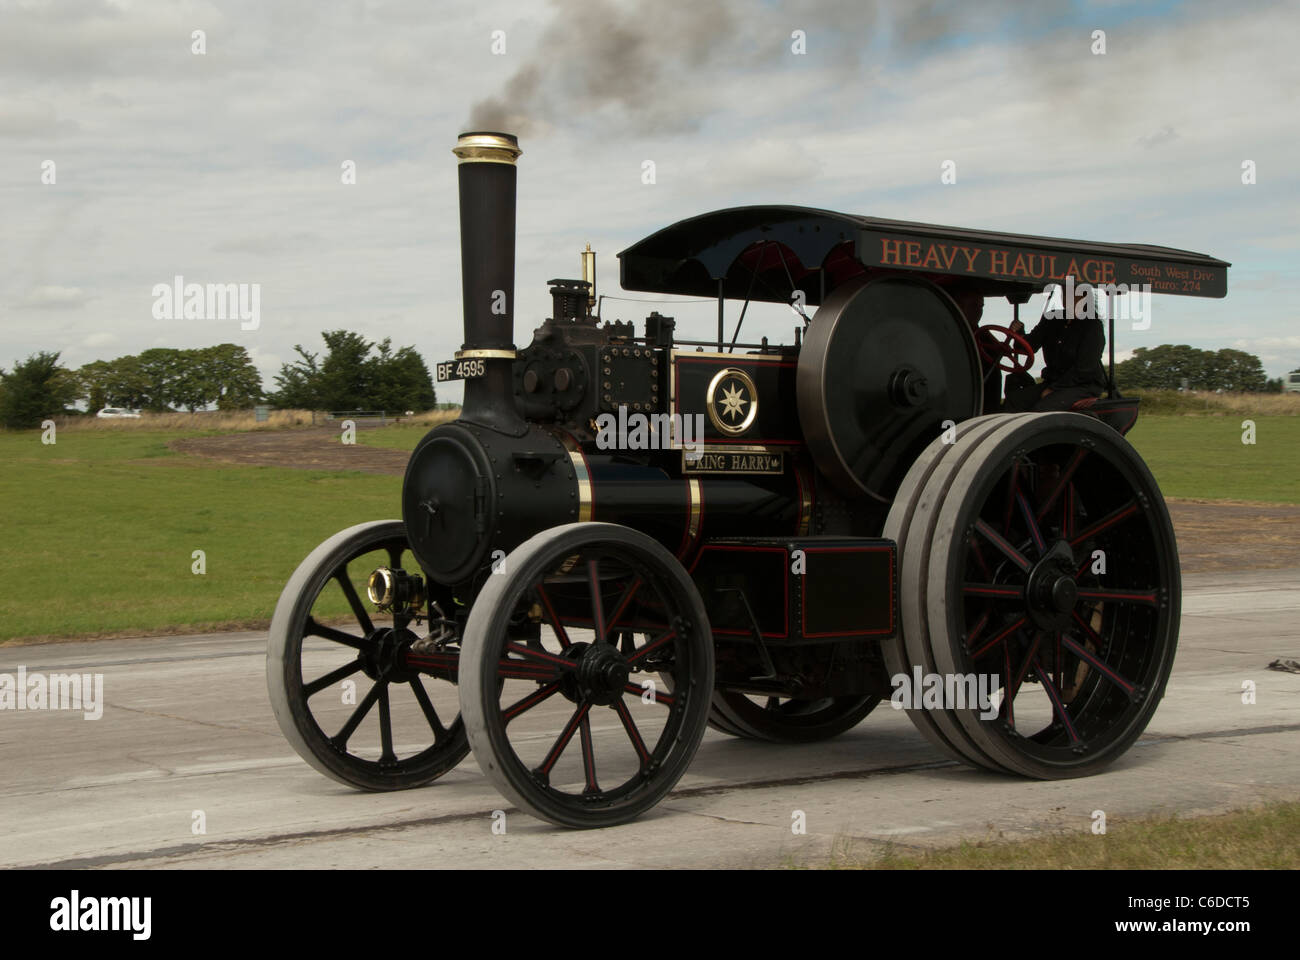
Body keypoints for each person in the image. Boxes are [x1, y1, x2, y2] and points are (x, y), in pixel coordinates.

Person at [1003, 282, 1107, 412]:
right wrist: (1018, 333)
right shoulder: (1052, 319)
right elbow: (1029, 346)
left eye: (1072, 293)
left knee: (1042, 410)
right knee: (1014, 400)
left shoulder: (1092, 325)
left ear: (1084, 296)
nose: (1066, 298)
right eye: (1064, 293)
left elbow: (1084, 369)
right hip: (1053, 381)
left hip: (1081, 385)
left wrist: (1054, 389)